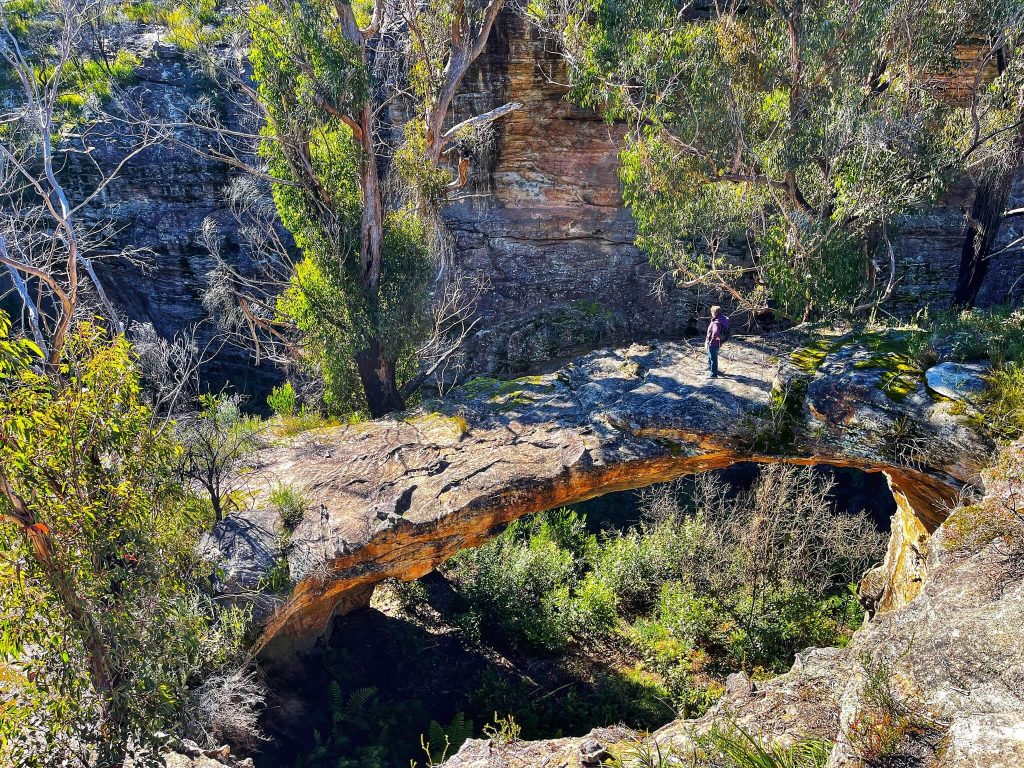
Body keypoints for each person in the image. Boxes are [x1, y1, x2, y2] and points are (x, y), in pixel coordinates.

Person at [704, 305, 729, 378]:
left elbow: (715, 333)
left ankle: (713, 374)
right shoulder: (723, 319)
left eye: (711, 312)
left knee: (713, 358)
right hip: (717, 343)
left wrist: (713, 340)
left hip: (713, 343)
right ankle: (710, 368)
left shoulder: (716, 323)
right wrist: (720, 341)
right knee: (710, 355)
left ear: (714, 313)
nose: (711, 314)